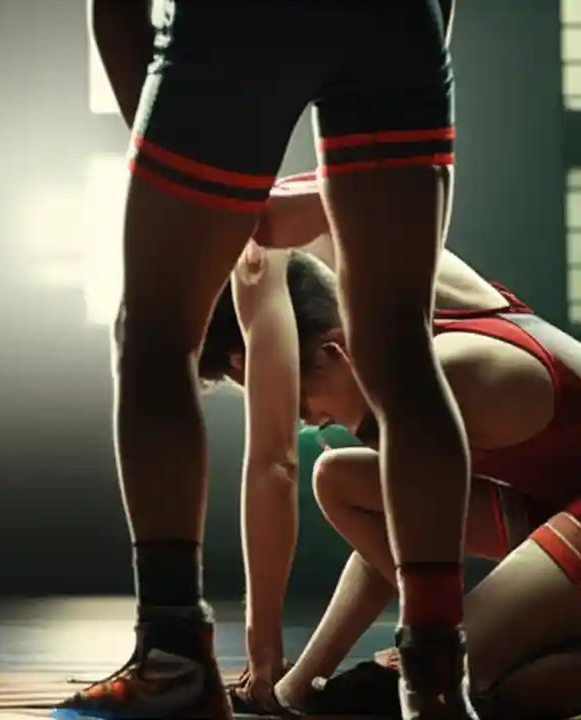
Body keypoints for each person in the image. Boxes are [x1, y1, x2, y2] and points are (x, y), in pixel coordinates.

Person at [69, 1, 469, 717]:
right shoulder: (291, 254)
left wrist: (159, 140)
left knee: (155, 331)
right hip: (401, 24)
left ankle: (173, 655)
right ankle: (435, 680)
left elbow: (274, 460)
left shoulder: (264, 264)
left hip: (243, 23)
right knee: (406, 353)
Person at [197, 178, 581, 718]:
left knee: (462, 682)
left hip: (565, 508)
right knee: (337, 477)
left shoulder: (431, 377)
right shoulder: (384, 280)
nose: (307, 422)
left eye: (299, 402)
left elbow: (275, 466)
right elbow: (404, 531)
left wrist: (432, 636)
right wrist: (294, 686)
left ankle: (489, 641)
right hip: (553, 502)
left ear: (332, 350)